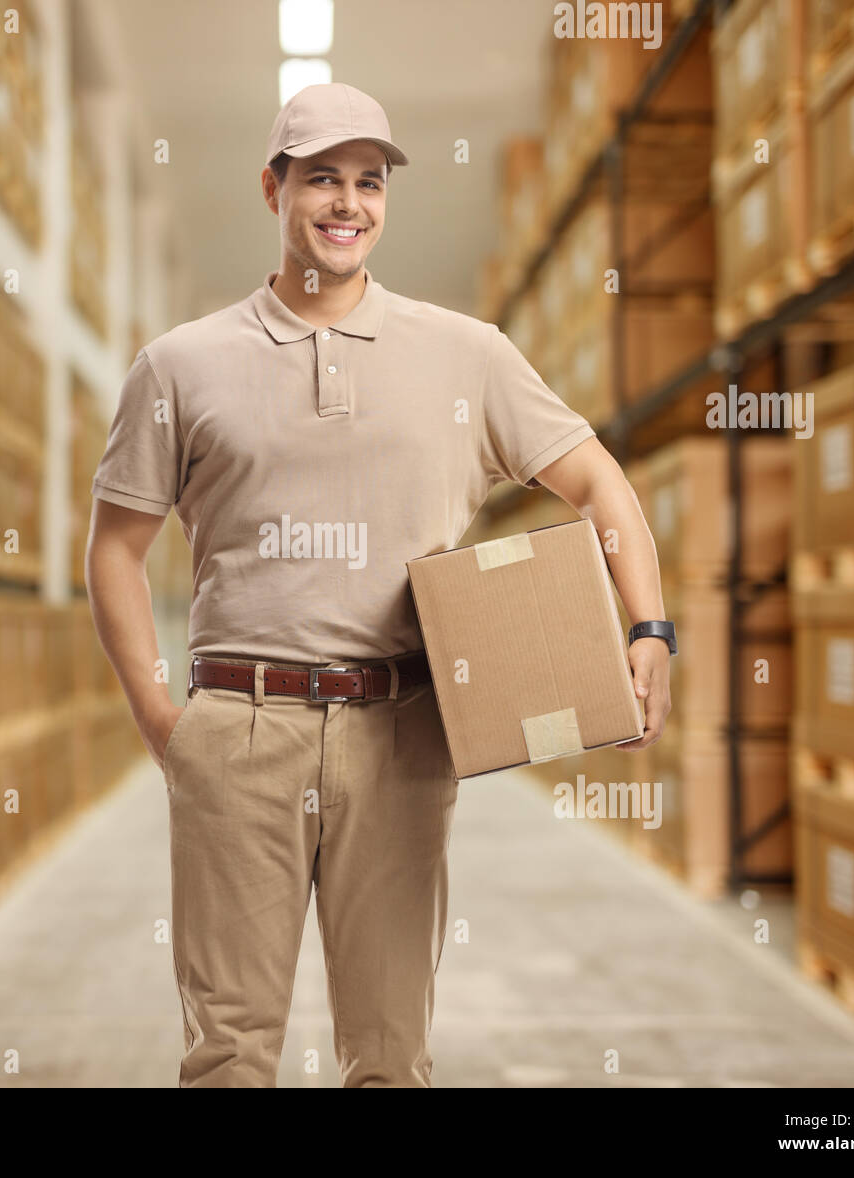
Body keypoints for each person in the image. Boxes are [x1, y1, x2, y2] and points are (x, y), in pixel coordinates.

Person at [85, 82, 673, 1088]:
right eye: (321, 178)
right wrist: (161, 719)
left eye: (367, 181)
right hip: (238, 725)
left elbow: (595, 482)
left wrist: (650, 625)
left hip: (401, 732)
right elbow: (114, 547)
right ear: (273, 187)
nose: (346, 202)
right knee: (226, 1053)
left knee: (392, 1055)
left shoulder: (467, 355)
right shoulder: (180, 365)